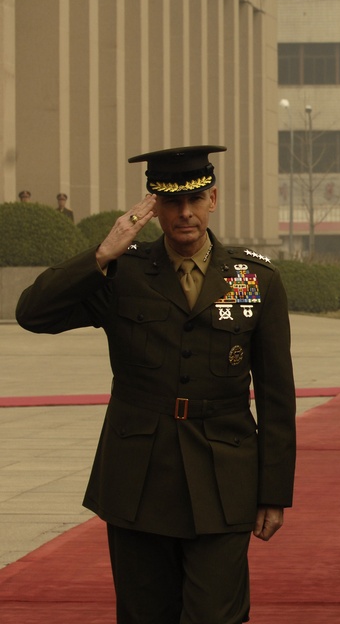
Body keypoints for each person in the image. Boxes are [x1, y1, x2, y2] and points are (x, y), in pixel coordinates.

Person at [16, 145, 297, 624]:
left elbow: (276, 395)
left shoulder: (255, 280)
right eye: (171, 202)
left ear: (213, 199)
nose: (184, 213)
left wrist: (274, 491)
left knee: (217, 615)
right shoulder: (121, 274)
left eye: (195, 200)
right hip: (138, 479)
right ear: (154, 208)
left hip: (224, 476)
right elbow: (32, 313)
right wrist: (103, 253)